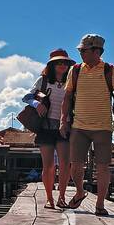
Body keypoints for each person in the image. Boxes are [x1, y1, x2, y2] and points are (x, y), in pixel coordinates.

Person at [60, 33, 114, 215]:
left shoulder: (110, 70)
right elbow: (67, 98)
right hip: (79, 126)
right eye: (80, 50)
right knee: (76, 164)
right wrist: (63, 120)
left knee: (103, 166)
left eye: (84, 50)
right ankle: (80, 192)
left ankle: (100, 205)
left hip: (103, 127)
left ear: (97, 51)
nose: (81, 53)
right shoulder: (75, 70)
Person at [21, 48, 75, 209]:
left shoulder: (71, 81)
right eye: (58, 62)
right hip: (46, 126)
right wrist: (37, 104)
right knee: (48, 165)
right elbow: (27, 97)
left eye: (64, 62)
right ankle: (50, 198)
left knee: (66, 164)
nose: (62, 65)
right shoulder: (43, 81)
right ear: (52, 65)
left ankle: (62, 197)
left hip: (65, 125)